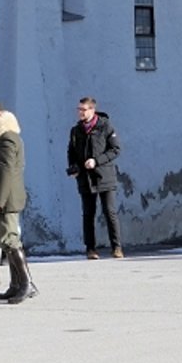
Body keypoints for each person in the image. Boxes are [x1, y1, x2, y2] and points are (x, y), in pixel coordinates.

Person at [0, 103, 34, 303]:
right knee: (6, 240)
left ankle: (26, 284)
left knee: (10, 240)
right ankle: (16, 284)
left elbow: (5, 172)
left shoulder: (6, 138)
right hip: (5, 198)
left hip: (6, 199)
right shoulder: (1, 137)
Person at [66, 96, 124, 259]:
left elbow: (115, 150)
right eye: (79, 110)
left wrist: (96, 161)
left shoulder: (105, 126)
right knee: (88, 213)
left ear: (92, 110)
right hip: (85, 178)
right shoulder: (76, 130)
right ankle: (90, 249)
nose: (80, 113)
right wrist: (73, 168)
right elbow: (71, 152)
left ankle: (116, 247)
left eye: (83, 110)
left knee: (110, 212)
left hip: (104, 176)